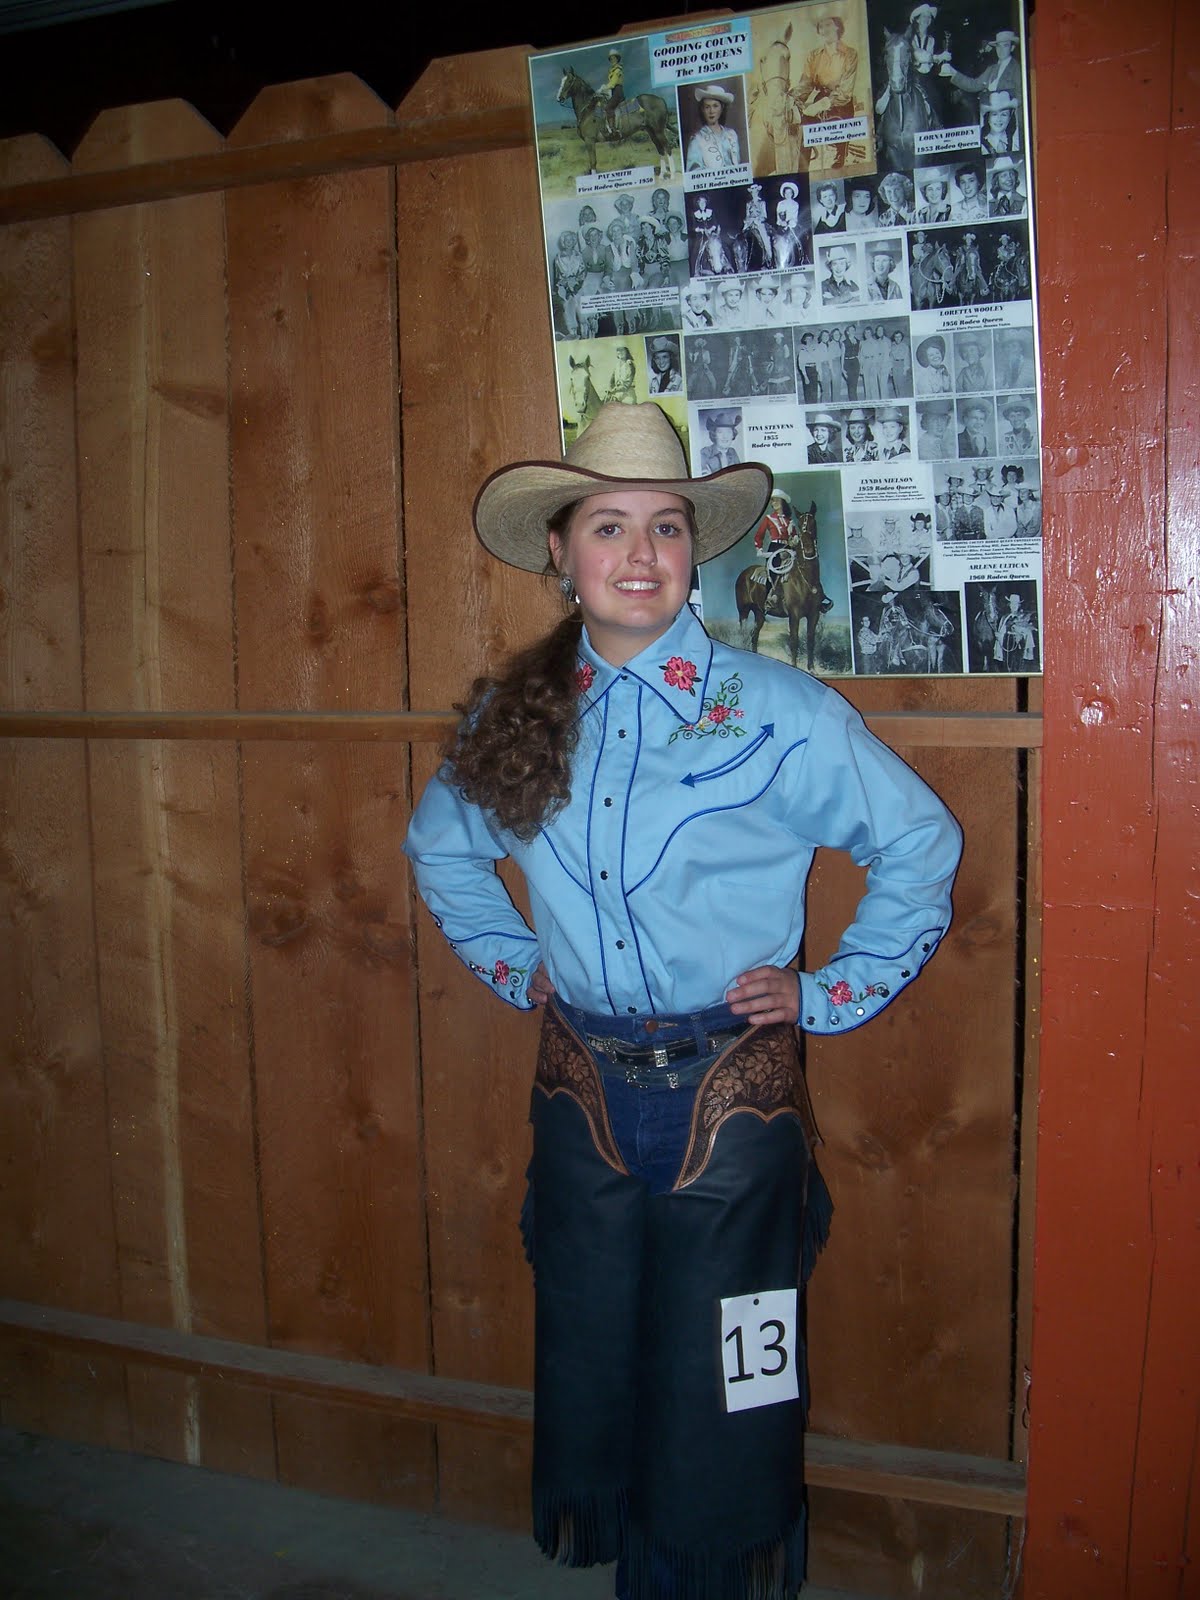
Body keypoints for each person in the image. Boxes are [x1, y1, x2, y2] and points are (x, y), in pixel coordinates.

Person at [404, 401, 961, 1600]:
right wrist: (518, 964)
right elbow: (443, 852)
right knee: (594, 1354)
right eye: (608, 526)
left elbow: (920, 844)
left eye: (665, 526)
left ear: (693, 548)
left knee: (732, 1379)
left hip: (736, 1108)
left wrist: (829, 991)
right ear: (560, 551)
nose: (642, 553)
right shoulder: (515, 717)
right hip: (581, 1097)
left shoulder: (781, 712)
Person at [795, 9, 860, 170]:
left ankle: (840, 154)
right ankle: (802, 168)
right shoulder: (813, 56)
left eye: (829, 24)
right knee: (804, 126)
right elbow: (805, 84)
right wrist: (793, 99)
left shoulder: (850, 54)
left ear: (837, 26)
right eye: (821, 26)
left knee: (842, 121)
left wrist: (823, 104)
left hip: (841, 102)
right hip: (819, 99)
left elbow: (845, 90)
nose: (825, 29)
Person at [687, 83, 742, 170]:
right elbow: (693, 174)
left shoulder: (732, 134)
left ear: (722, 108)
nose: (711, 111)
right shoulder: (697, 139)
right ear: (702, 109)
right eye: (707, 107)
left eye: (715, 106)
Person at [993, 587, 1038, 668]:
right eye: (1012, 604)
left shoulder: (1023, 617)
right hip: (1006, 647)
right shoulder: (1004, 617)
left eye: (1015, 604)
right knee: (1006, 666)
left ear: (1018, 605)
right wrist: (998, 635)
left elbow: (1028, 631)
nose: (1013, 606)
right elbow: (1001, 631)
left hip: (1018, 648)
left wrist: (1020, 634)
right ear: (1009, 605)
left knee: (1017, 666)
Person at [601, 49, 625, 139]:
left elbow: (613, 83)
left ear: (617, 59)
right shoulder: (612, 70)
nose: (612, 60)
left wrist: (603, 88)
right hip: (614, 91)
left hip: (617, 91)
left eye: (614, 58)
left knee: (608, 107)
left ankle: (613, 129)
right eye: (611, 59)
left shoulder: (617, 70)